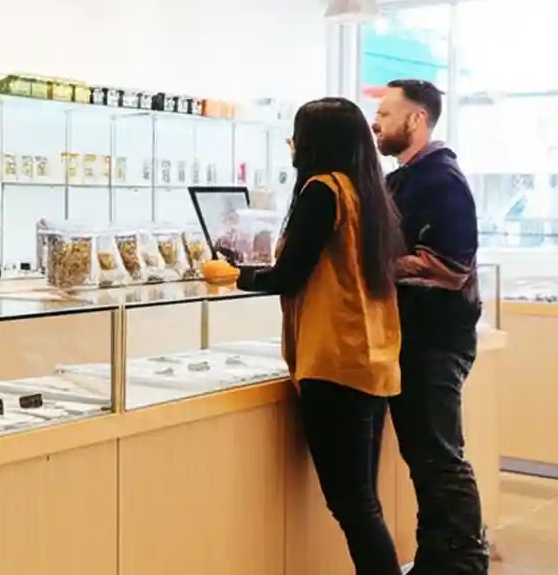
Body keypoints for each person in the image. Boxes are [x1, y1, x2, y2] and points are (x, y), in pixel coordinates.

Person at [207, 98, 405, 575]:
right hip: (370, 358)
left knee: (353, 504)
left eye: (296, 137)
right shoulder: (365, 191)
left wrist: (235, 276)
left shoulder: (322, 190)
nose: (291, 147)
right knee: (362, 501)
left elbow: (289, 273)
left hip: (334, 362)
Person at [373, 79, 490, 574]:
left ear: (417, 118)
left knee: (440, 456)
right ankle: (435, 559)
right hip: (412, 339)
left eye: (386, 114)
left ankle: (465, 561)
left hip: (437, 341)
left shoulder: (441, 180)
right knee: (423, 457)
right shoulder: (404, 177)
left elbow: (451, 266)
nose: (376, 124)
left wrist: (378, 265)